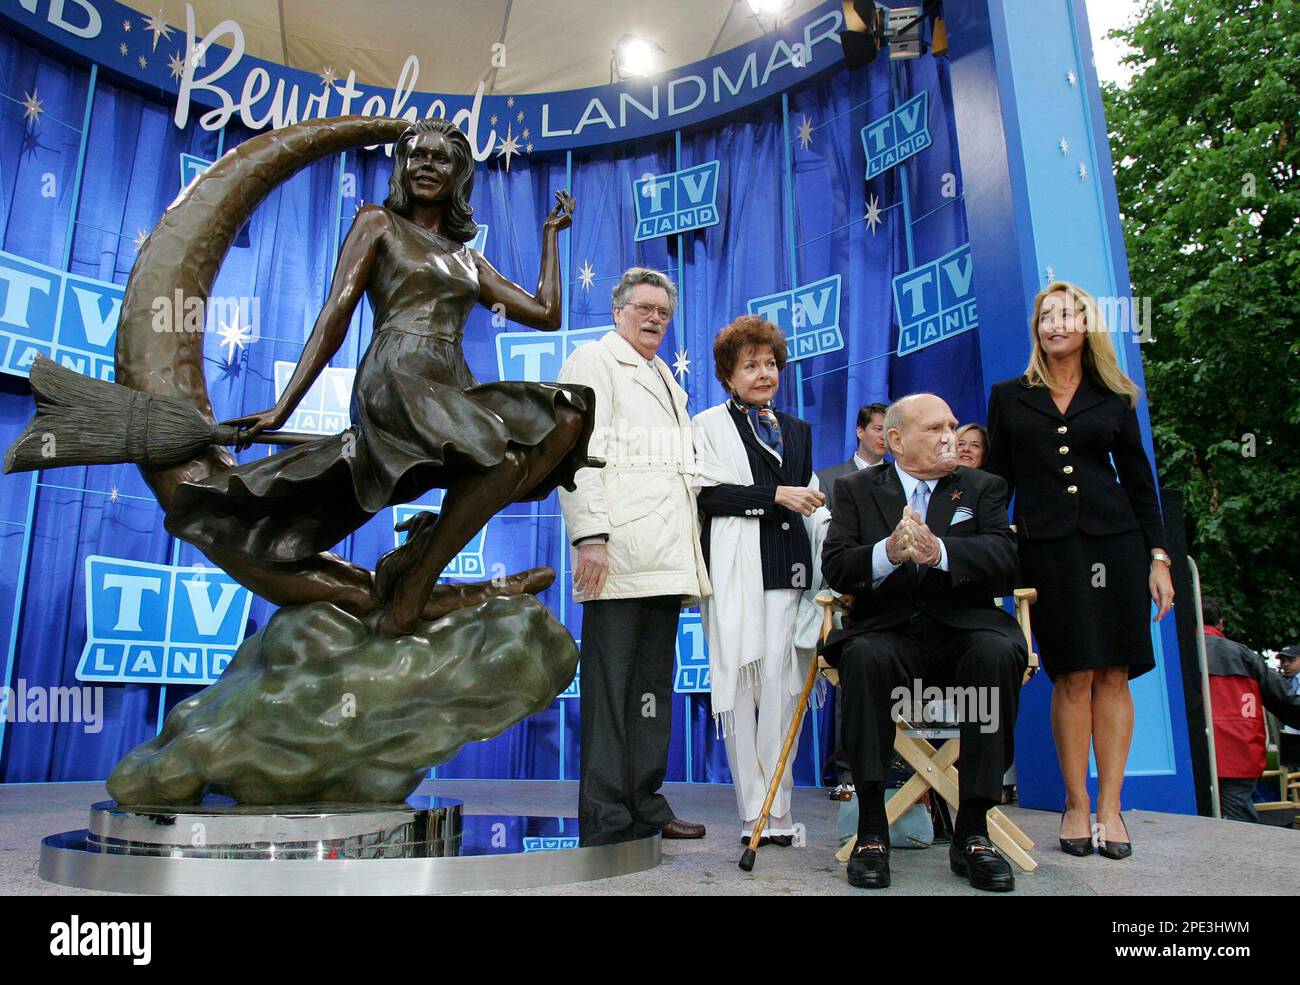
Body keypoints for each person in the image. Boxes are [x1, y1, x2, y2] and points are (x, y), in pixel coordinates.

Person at [164, 118, 595, 637]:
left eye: (440, 159)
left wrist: (550, 236)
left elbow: (547, 313)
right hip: (395, 377)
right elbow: (334, 316)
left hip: (452, 380)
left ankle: (415, 571)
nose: (426, 166)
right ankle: (413, 594)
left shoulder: (468, 258)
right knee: (501, 459)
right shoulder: (377, 223)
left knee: (566, 414)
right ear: (401, 167)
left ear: (458, 174)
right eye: (416, 156)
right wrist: (283, 407)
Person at [985, 279, 1175, 860]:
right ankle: (1075, 803)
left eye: (1068, 314)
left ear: (1087, 324)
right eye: (1047, 315)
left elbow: (1141, 483)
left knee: (1114, 674)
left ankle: (1112, 808)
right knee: (1071, 675)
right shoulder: (1010, 395)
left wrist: (1159, 558)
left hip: (1116, 546)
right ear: (1037, 328)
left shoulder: (1115, 396)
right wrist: (992, 549)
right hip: (1047, 552)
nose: (1057, 324)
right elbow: (997, 482)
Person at [823, 393, 1027, 892]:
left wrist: (941, 553)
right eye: (935, 428)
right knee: (865, 656)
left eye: (953, 426)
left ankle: (973, 833)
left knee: (997, 652)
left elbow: (1005, 556)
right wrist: (887, 553)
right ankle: (873, 830)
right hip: (887, 630)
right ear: (895, 440)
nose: (949, 437)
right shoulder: (855, 489)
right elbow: (836, 566)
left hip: (964, 631)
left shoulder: (982, 487)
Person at [557, 267, 711, 844]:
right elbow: (575, 454)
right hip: (617, 553)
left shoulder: (666, 376)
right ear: (618, 311)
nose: (653, 319)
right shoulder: (592, 363)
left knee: (651, 688)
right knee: (611, 688)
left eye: (663, 313)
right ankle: (606, 812)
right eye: (643, 308)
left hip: (666, 555)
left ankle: (645, 801)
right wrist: (589, 536)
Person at [692, 315, 824, 847]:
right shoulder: (706, 425)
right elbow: (704, 494)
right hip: (737, 578)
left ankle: (780, 810)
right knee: (741, 692)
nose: (763, 373)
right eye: (751, 365)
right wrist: (773, 496)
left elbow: (808, 497)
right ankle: (752, 811)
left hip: (789, 572)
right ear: (729, 375)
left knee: (783, 692)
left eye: (770, 364)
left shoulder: (798, 430)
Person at [1201, 596, 1300, 821]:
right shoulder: (1245, 655)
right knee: (1239, 826)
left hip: (1194, 754)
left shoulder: (1178, 653)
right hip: (1239, 752)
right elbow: (1285, 700)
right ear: (1221, 623)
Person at [817, 402, 887, 514]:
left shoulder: (898, 476)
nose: (884, 437)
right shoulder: (827, 480)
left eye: (889, 431)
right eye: (878, 429)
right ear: (860, 432)